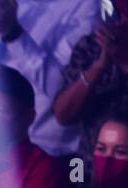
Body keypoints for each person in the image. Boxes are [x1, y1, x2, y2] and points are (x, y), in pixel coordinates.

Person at [0, 0, 101, 158]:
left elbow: (64, 94)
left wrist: (12, 33)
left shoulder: (85, 6)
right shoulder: (4, 5)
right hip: (3, 156)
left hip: (59, 158)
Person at [54, 2, 128, 156]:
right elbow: (63, 115)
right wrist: (99, 66)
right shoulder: (92, 46)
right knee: (75, 173)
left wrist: (123, 62)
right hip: (87, 167)